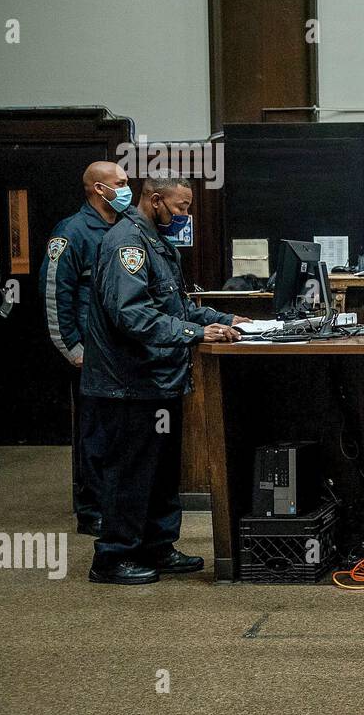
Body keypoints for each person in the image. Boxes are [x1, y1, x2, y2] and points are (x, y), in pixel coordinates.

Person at [80, 172, 247, 585]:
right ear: (155, 200)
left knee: (161, 471)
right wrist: (194, 333)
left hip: (159, 380)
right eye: (180, 207)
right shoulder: (127, 244)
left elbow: (177, 306)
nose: (184, 214)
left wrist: (227, 319)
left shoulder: (156, 243)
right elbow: (131, 314)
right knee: (131, 472)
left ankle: (157, 546)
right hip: (129, 383)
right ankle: (113, 557)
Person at [38, 161, 134, 537]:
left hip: (121, 351)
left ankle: (118, 503)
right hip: (90, 354)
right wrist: (72, 349)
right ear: (98, 188)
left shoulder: (124, 227)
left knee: (121, 432)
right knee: (94, 434)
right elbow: (54, 294)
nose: (126, 189)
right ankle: (92, 510)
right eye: (120, 183)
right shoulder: (72, 231)